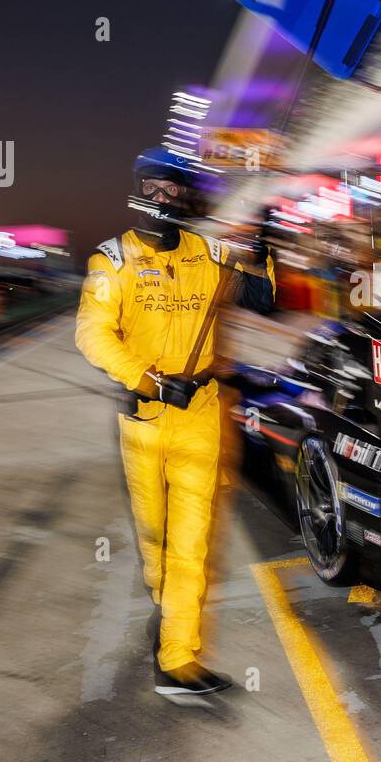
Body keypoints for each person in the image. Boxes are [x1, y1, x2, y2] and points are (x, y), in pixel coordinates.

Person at [76, 146, 275, 695]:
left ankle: (177, 657)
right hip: (143, 417)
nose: (161, 196)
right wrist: (151, 380)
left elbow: (263, 298)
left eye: (172, 187)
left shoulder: (210, 252)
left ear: (186, 195)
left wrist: (262, 249)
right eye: (151, 186)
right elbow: (92, 334)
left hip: (201, 417)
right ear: (138, 190)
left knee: (191, 543)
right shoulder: (110, 259)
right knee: (155, 537)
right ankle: (166, 608)